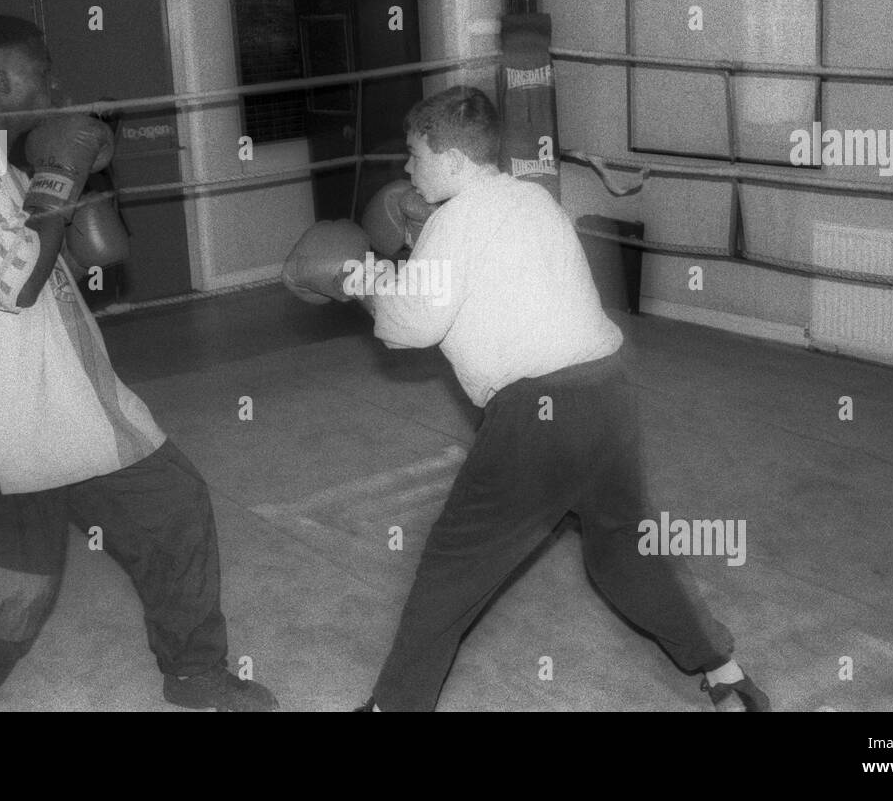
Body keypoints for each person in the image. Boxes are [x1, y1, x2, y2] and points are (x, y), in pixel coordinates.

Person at [284, 86, 770, 711]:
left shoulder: (458, 220)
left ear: (453, 160)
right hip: (609, 392)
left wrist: (362, 281)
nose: (407, 170)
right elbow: (486, 283)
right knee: (626, 548)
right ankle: (725, 673)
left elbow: (411, 326)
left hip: (540, 417)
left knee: (452, 568)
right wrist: (409, 264)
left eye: (415, 156)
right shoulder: (534, 199)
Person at [0, 14, 276, 712]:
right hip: (5, 428)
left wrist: (85, 179)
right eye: (44, 72)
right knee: (12, 599)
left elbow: (96, 256)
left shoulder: (9, 165)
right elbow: (17, 282)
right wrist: (61, 170)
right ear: (1, 79)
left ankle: (195, 674)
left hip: (84, 407)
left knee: (176, 511)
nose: (58, 85)